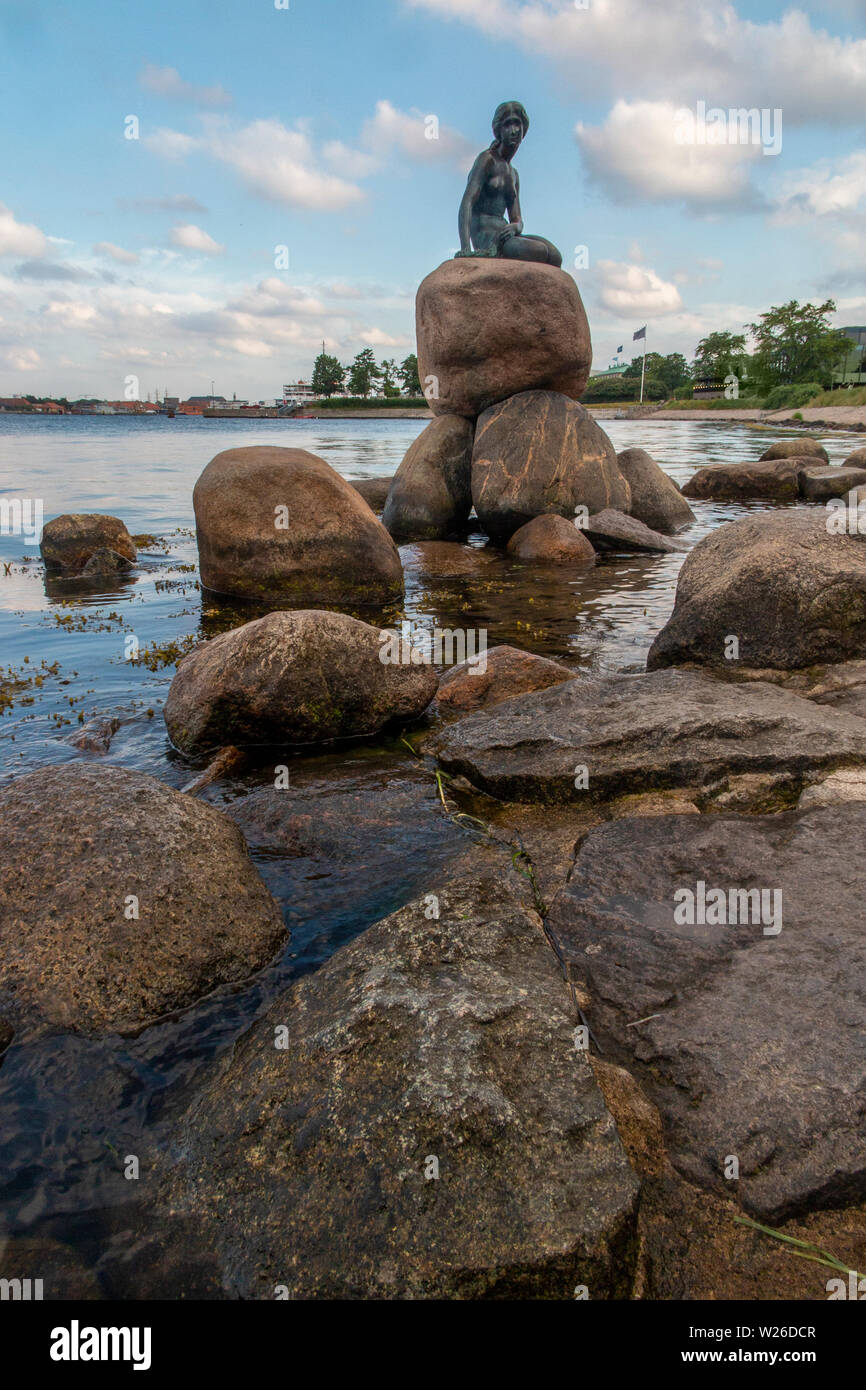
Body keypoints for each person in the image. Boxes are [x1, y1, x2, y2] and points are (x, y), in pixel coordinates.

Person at [457, 101, 562, 267]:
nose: (514, 130)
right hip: (488, 239)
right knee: (540, 252)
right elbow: (467, 203)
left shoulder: (514, 174)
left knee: (555, 256)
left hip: (507, 236)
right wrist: (465, 249)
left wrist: (515, 228)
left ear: (524, 129)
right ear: (498, 130)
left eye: (517, 124)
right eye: (507, 125)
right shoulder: (487, 160)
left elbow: (517, 219)